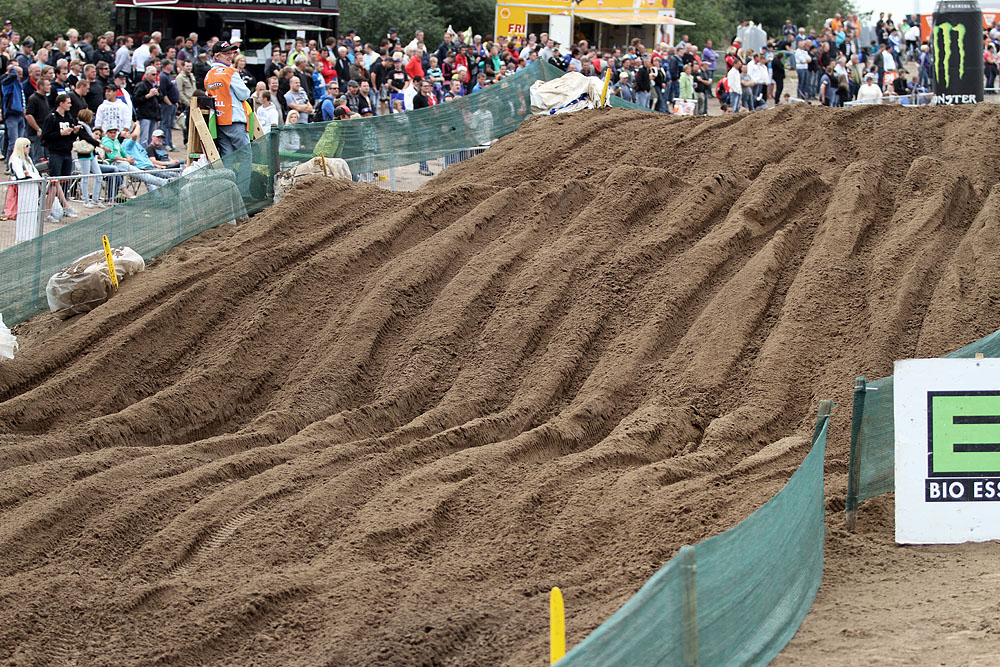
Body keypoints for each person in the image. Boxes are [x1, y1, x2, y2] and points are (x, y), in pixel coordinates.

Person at [204, 40, 253, 156]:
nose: (230, 56)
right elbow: (245, 94)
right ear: (217, 55)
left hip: (219, 121)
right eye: (226, 53)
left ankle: (228, 175)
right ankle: (244, 175)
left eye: (231, 53)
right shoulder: (230, 72)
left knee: (227, 157)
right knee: (245, 154)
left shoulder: (208, 74)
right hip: (235, 119)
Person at [40, 93, 81, 221]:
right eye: (68, 102)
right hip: (55, 153)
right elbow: (45, 137)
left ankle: (63, 206)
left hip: (66, 152)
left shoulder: (69, 117)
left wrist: (74, 133)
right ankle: (49, 212)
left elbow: (71, 136)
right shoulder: (51, 118)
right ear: (61, 103)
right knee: (54, 182)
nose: (70, 105)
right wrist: (60, 133)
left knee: (61, 182)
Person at [9, 137, 41, 243]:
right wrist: (30, 175)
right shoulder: (16, 159)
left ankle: (30, 236)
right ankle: (21, 237)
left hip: (33, 186)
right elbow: (21, 175)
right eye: (27, 146)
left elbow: (35, 173)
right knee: (24, 212)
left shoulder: (28, 159)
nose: (29, 148)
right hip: (25, 187)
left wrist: (31, 175)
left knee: (32, 211)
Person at [73, 108, 104, 208]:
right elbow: (88, 139)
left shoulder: (87, 127)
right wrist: (97, 143)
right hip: (84, 155)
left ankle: (95, 198)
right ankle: (86, 200)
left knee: (99, 176)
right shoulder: (81, 127)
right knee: (85, 177)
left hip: (92, 154)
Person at [1, 63, 26, 163]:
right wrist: (12, 68)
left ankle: (20, 163)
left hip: (20, 115)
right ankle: (9, 165)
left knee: (21, 143)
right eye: (19, 73)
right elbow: (12, 75)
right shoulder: (7, 83)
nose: (20, 76)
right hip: (12, 115)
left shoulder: (19, 84)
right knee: (13, 143)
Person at [133, 65, 162, 147]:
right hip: (144, 115)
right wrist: (148, 95)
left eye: (156, 74)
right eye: (153, 74)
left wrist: (158, 94)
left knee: (152, 138)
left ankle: (150, 154)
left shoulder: (155, 85)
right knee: (144, 138)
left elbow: (161, 98)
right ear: (147, 75)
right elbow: (136, 100)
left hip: (154, 115)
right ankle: (142, 154)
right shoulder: (141, 85)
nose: (155, 76)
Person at [25, 77, 50, 161]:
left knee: (46, 158)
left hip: (45, 133)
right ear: (41, 86)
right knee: (39, 159)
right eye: (47, 85)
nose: (50, 86)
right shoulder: (33, 99)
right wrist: (38, 129)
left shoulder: (44, 98)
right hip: (36, 134)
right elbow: (28, 115)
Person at [158, 59, 179, 150]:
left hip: (173, 104)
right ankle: (164, 143)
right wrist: (169, 103)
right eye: (170, 64)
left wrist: (175, 102)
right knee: (165, 124)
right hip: (166, 104)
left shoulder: (169, 75)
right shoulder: (162, 76)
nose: (172, 65)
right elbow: (163, 92)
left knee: (170, 125)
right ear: (166, 65)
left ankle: (170, 143)